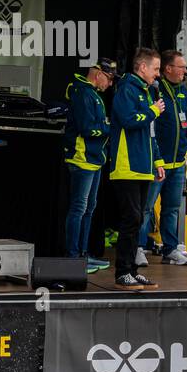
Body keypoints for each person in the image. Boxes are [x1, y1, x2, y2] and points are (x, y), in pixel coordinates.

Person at [108, 47, 165, 290]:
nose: (158, 74)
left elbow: (150, 132)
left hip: (143, 165)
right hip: (126, 165)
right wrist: (153, 111)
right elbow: (129, 120)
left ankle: (132, 270)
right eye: (155, 69)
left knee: (139, 218)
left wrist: (158, 161)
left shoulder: (147, 91)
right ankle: (122, 272)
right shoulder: (126, 89)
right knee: (131, 218)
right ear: (142, 67)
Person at [138, 49, 187, 266]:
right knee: (146, 207)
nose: (185, 71)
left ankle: (170, 249)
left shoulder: (183, 91)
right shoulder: (155, 89)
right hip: (157, 163)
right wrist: (156, 156)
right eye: (181, 67)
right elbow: (149, 126)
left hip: (177, 163)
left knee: (172, 209)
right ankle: (138, 247)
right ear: (168, 69)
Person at [63, 58, 117, 274]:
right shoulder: (83, 92)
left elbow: (97, 126)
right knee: (79, 207)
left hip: (95, 158)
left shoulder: (92, 94)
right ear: (97, 74)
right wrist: (108, 127)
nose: (110, 84)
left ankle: (83, 255)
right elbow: (87, 129)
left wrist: (104, 126)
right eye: (109, 78)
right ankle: (73, 256)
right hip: (81, 158)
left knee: (89, 208)